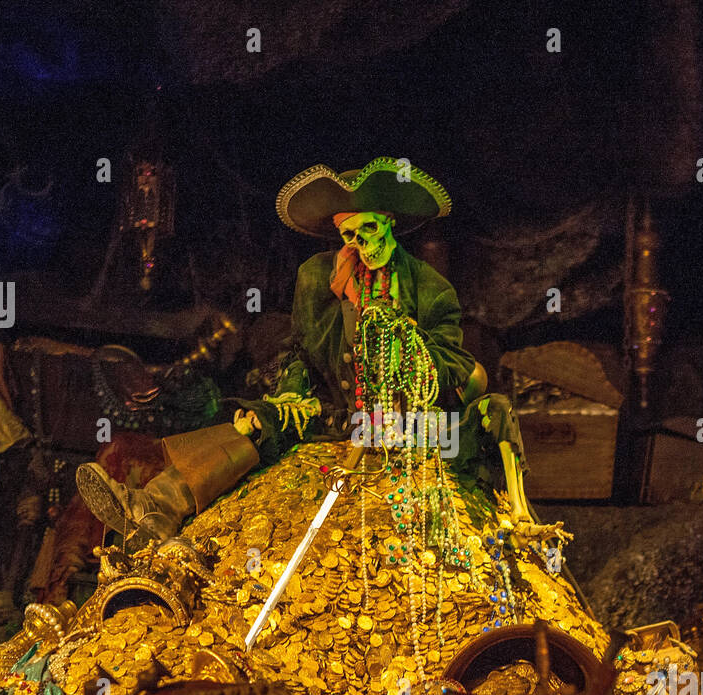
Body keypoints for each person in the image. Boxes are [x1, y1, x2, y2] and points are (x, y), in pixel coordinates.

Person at [76, 157, 529, 551]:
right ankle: (153, 509)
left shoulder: (430, 288)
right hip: (337, 419)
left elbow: (455, 362)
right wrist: (292, 393)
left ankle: (518, 517)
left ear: (389, 222)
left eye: (369, 229)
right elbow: (299, 349)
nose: (360, 243)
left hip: (409, 427)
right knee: (255, 425)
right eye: (349, 233)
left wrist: (407, 348)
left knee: (479, 426)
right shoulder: (318, 277)